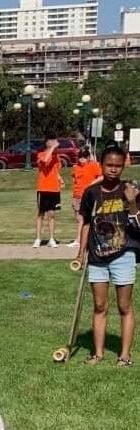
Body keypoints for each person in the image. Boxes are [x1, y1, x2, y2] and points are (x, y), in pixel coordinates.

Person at [74, 145, 140, 366]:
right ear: (101, 165)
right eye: (109, 165)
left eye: (118, 166)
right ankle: (98, 353)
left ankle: (124, 355)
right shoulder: (92, 193)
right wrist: (80, 252)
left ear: (123, 166)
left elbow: (138, 226)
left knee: (124, 306)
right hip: (97, 256)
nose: (113, 170)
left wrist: (131, 202)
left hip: (124, 254)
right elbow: (85, 225)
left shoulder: (131, 190)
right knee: (99, 306)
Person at [33, 136, 64, 248]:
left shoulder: (57, 156)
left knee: (52, 215)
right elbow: (45, 160)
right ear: (47, 143)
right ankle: (38, 239)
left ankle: (51, 239)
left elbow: (56, 170)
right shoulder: (41, 154)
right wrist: (52, 148)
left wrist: (60, 178)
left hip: (54, 189)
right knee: (41, 214)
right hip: (43, 188)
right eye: (52, 141)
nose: (55, 142)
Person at [69, 149, 103, 248]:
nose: (82, 159)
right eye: (80, 157)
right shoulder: (75, 167)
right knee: (79, 218)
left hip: (89, 196)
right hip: (77, 196)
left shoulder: (93, 165)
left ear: (88, 157)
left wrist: (90, 185)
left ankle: (81, 239)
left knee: (89, 218)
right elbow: (74, 180)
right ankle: (81, 238)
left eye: (84, 157)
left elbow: (101, 177)